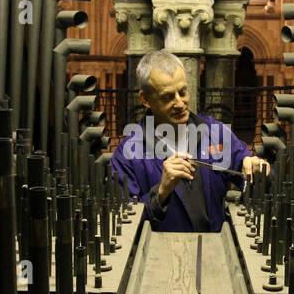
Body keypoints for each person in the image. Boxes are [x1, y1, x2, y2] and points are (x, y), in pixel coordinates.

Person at [110, 49, 270, 232]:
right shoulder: (127, 155)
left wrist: (259, 171)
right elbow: (123, 226)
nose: (180, 103)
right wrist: (161, 192)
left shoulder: (215, 134)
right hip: (158, 257)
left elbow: (262, 182)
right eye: (168, 97)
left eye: (183, 92)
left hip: (216, 253)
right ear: (145, 99)